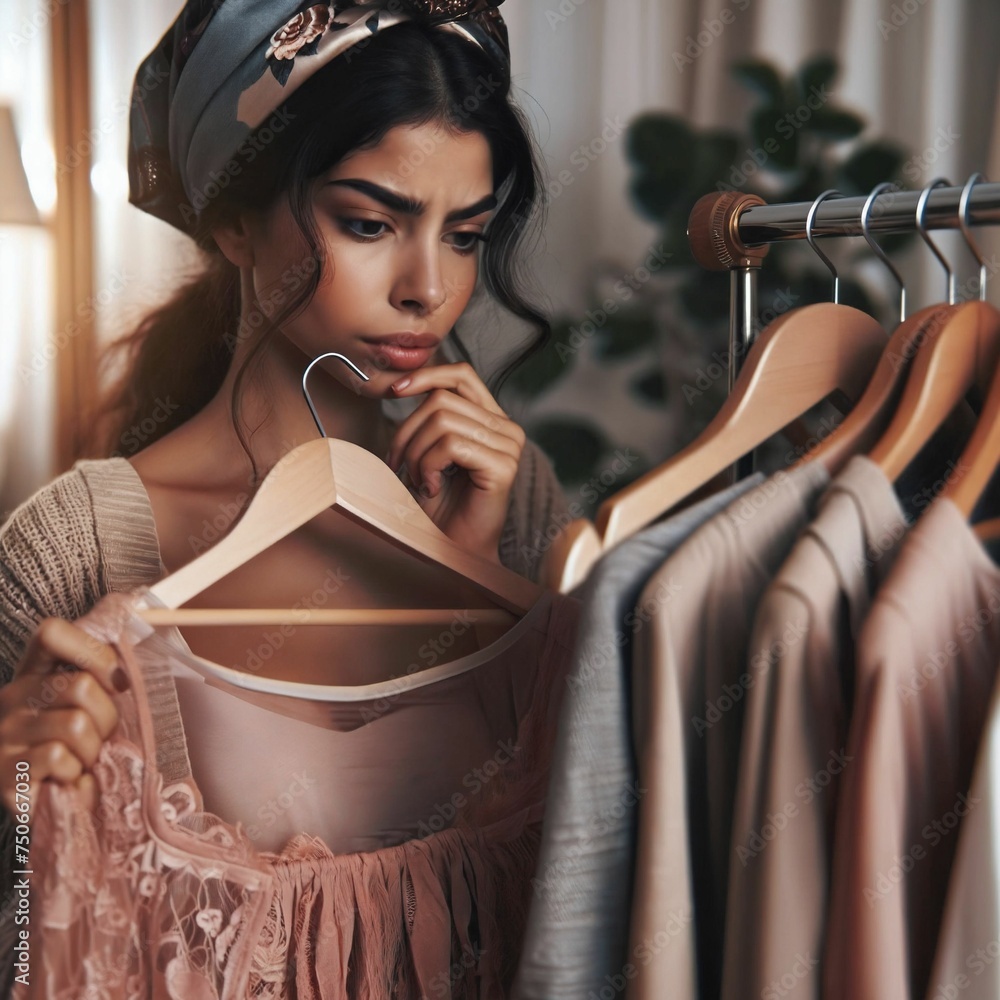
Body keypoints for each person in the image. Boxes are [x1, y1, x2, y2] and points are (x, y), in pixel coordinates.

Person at [0, 2, 574, 991]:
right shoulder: (76, 544)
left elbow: (578, 880)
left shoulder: (515, 500)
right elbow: (33, 935)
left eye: (466, 235)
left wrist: (470, 582)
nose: (427, 288)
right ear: (231, 219)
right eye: (369, 223)